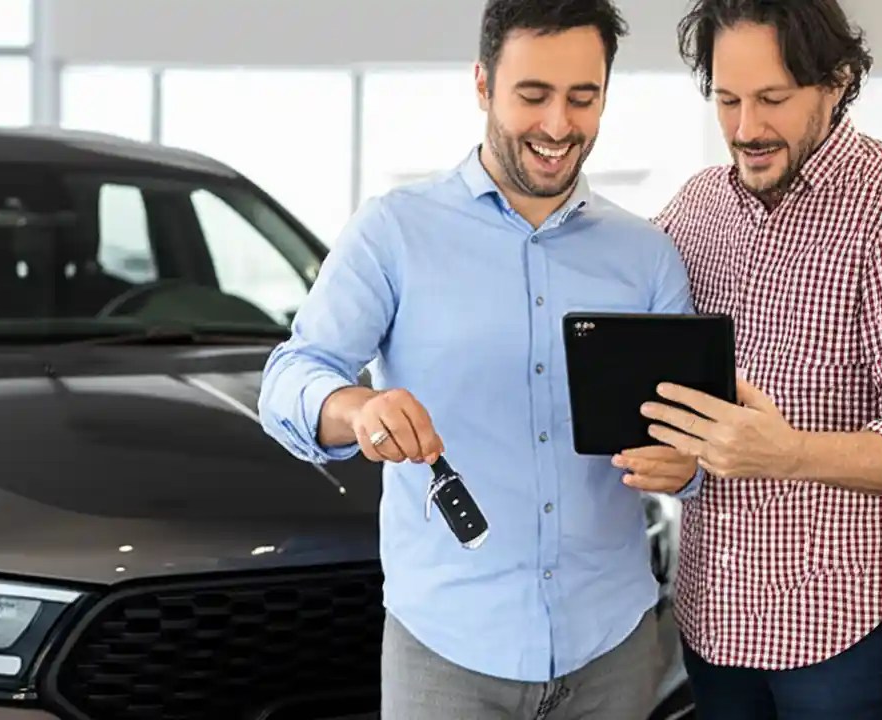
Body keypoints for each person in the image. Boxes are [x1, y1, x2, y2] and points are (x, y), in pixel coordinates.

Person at [258, 1, 704, 717]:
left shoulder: (646, 256)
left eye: (582, 99)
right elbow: (290, 379)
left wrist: (688, 468)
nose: (558, 126)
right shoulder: (394, 232)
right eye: (533, 95)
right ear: (482, 85)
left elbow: (693, 438)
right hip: (446, 651)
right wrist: (358, 411)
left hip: (611, 648)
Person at [640, 1, 882, 718]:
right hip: (715, 615)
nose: (745, 129)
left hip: (841, 629)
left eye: (772, 99)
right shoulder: (697, 207)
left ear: (836, 81)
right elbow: (640, 355)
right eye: (727, 100)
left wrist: (787, 451)